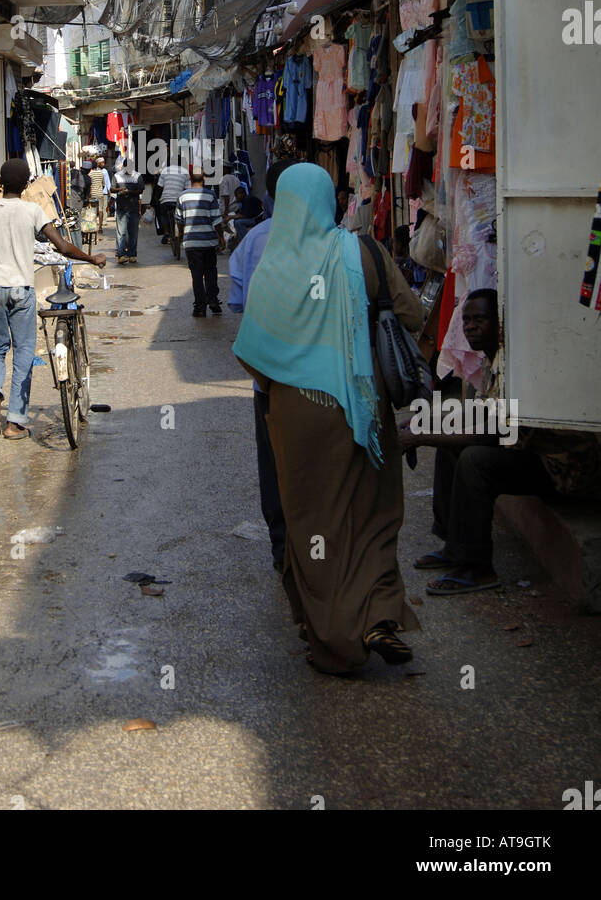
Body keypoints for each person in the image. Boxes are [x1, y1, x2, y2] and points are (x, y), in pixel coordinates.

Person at [233, 163, 424, 674]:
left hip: (297, 415)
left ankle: (335, 638)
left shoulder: (273, 266)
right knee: (373, 507)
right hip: (366, 404)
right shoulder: (362, 251)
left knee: (313, 520)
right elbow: (412, 315)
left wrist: (290, 374)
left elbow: (250, 353)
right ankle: (379, 609)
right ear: (330, 201)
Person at [401, 290, 601, 595]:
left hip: (566, 470)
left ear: (500, 322)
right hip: (536, 455)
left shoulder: (521, 367)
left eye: (479, 319)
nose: (470, 327)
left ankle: (477, 568)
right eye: (466, 320)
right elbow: (482, 413)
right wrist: (425, 421)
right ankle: (455, 548)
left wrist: (421, 434)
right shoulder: (498, 360)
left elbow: (496, 431)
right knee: (450, 446)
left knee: (474, 460)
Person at [0, 158, 106, 439]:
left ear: (0, 184)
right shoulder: (32, 211)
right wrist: (91, 257)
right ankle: (14, 422)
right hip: (21, 290)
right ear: (26, 185)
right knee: (24, 352)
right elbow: (61, 245)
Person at [228, 160, 294, 571]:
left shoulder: (254, 239)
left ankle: (282, 548)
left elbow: (238, 302)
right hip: (324, 379)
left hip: (268, 379)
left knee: (273, 464)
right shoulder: (340, 241)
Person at [175, 167, 226, 317]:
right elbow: (216, 220)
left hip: (191, 243)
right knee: (211, 271)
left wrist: (180, 238)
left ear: (190, 178)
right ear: (204, 178)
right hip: (208, 242)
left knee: (196, 275)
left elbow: (179, 221)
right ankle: (213, 300)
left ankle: (200, 307)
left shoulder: (182, 197)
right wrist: (221, 239)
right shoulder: (210, 196)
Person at [110, 157, 144, 264]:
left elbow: (141, 189)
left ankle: (132, 254)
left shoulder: (137, 176)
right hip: (121, 208)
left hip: (133, 207)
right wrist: (121, 189)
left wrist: (130, 192)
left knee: (133, 232)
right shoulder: (117, 176)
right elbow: (111, 189)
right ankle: (121, 255)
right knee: (121, 233)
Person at [155, 159, 189, 245]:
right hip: (179, 200)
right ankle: (181, 232)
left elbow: (159, 187)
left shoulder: (165, 170)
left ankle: (166, 233)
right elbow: (187, 189)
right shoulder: (185, 172)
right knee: (182, 216)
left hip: (166, 199)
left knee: (163, 213)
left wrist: (157, 198)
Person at [95, 156, 111, 231]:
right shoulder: (95, 171)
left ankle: (104, 220)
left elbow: (107, 181)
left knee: (104, 206)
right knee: (97, 207)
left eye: (104, 162)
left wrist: (109, 190)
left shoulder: (105, 171)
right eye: (102, 163)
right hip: (96, 192)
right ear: (98, 163)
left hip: (104, 192)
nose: (103, 164)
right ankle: (96, 220)